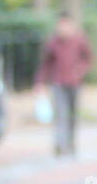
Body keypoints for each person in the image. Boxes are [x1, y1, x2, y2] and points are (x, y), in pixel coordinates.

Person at [36, 12, 92, 155]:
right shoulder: (53, 43)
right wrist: (40, 82)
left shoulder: (79, 40)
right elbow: (46, 63)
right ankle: (61, 145)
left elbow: (88, 58)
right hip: (58, 82)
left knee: (72, 115)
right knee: (61, 115)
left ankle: (71, 143)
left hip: (74, 83)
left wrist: (81, 70)